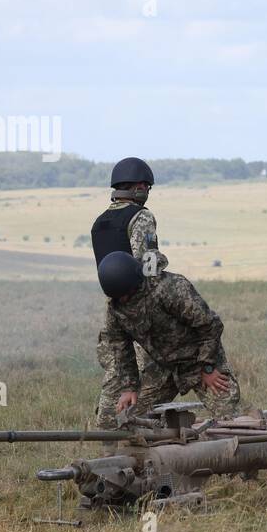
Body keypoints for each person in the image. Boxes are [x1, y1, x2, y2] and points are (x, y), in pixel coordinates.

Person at [94, 251, 242, 426]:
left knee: (230, 419)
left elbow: (210, 325)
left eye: (126, 295)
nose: (124, 301)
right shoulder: (116, 310)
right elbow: (121, 349)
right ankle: (168, 432)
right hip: (162, 368)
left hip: (198, 360)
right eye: (119, 298)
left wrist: (208, 367)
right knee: (128, 418)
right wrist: (129, 387)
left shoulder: (170, 288)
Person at [91, 157, 168, 426]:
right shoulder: (141, 217)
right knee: (149, 377)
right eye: (146, 186)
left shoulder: (100, 222)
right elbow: (147, 264)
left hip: (113, 309)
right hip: (140, 308)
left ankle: (106, 431)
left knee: (117, 373)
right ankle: (142, 431)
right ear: (138, 188)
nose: (147, 191)